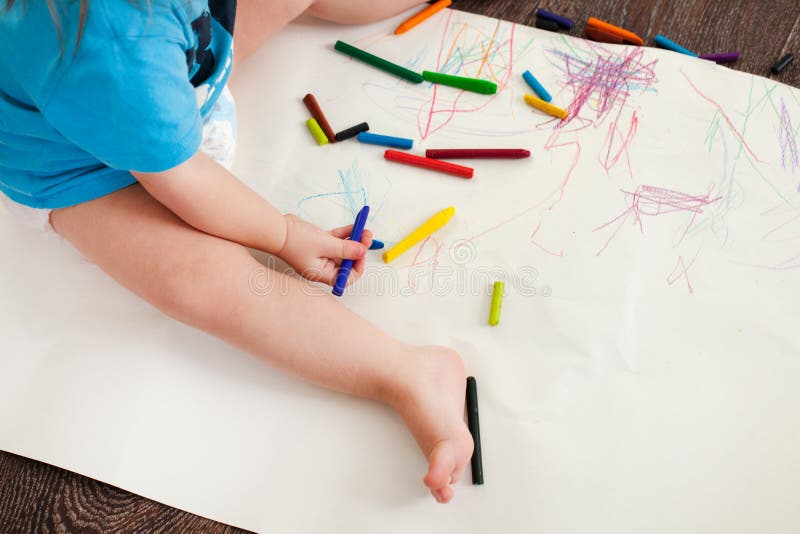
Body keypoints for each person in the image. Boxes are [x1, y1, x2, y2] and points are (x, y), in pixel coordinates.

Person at [0, 0, 473, 503]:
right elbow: (187, 183)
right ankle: (406, 373)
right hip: (72, 163)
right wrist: (284, 235)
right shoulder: (109, 45)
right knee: (196, 279)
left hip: (170, 77)